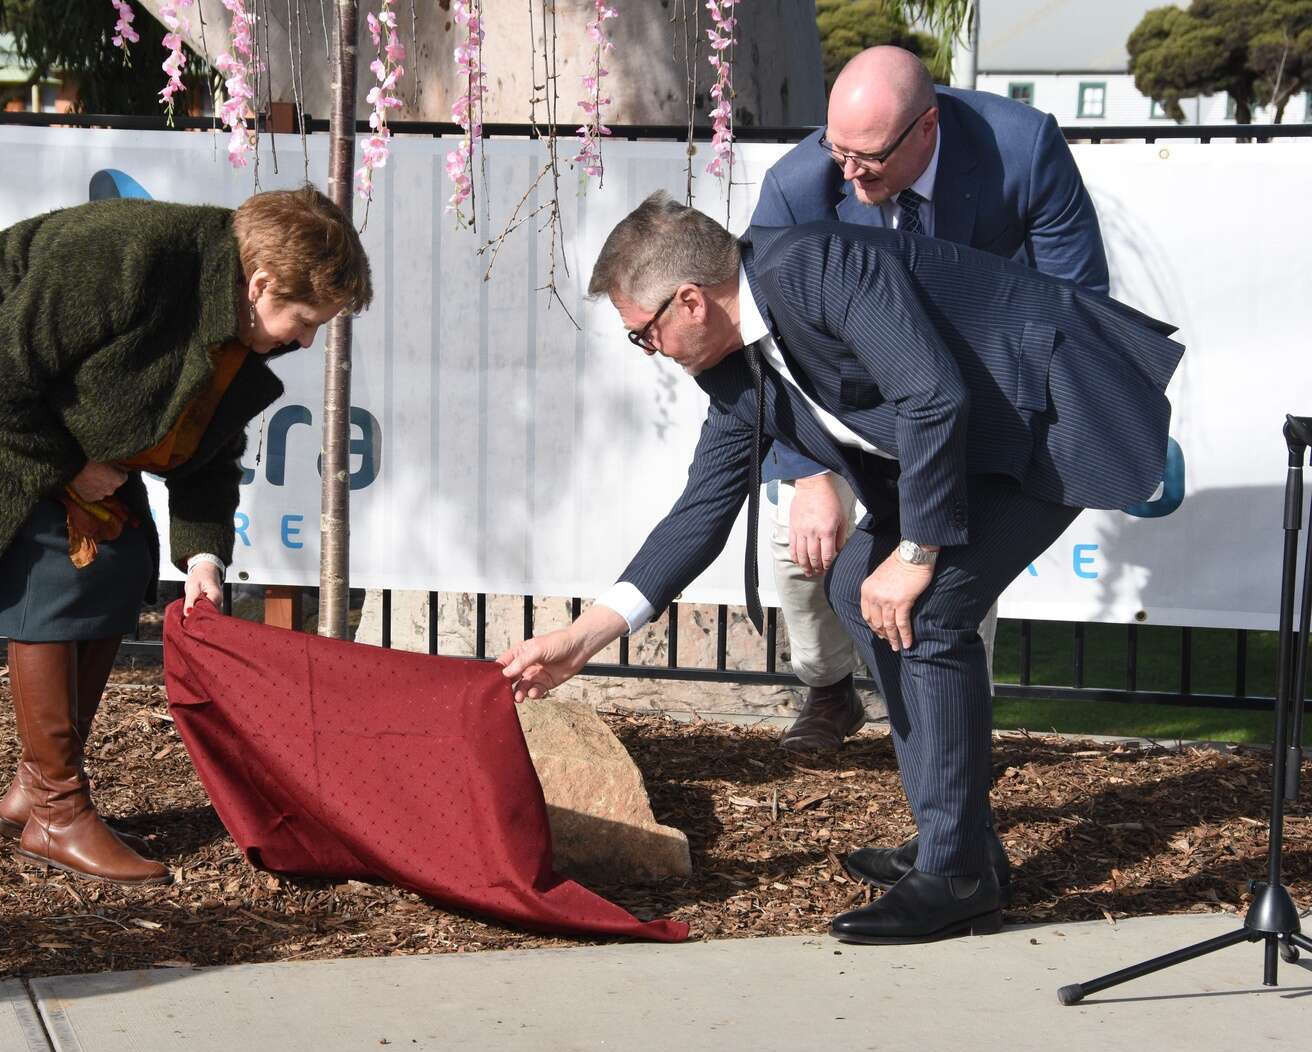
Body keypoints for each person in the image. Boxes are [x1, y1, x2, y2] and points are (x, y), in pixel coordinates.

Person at [498, 193, 1182, 943]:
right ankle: (961, 842)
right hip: (978, 440)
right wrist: (586, 636)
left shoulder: (818, 267)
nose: (649, 349)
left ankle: (957, 877)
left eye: (643, 333)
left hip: (1058, 409)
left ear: (689, 300)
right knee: (858, 589)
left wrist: (917, 554)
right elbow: (701, 512)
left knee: (930, 608)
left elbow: (931, 395)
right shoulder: (734, 375)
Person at [0, 186, 372, 886]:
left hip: (29, 405)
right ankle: (56, 808)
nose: (306, 340)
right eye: (304, 319)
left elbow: (205, 441)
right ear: (261, 282)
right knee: (59, 576)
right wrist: (71, 469)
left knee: (120, 561)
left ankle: (35, 785)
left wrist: (202, 557)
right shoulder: (130, 254)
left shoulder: (234, 308)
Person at [753, 46, 1109, 754]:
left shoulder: (1023, 149)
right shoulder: (798, 185)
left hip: (975, 402)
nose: (848, 175)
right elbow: (769, 336)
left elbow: (1079, 302)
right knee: (791, 548)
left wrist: (1001, 442)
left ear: (926, 128)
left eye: (869, 158)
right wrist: (808, 475)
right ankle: (829, 690)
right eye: (836, 149)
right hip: (851, 403)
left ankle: (952, 733)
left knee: (949, 588)